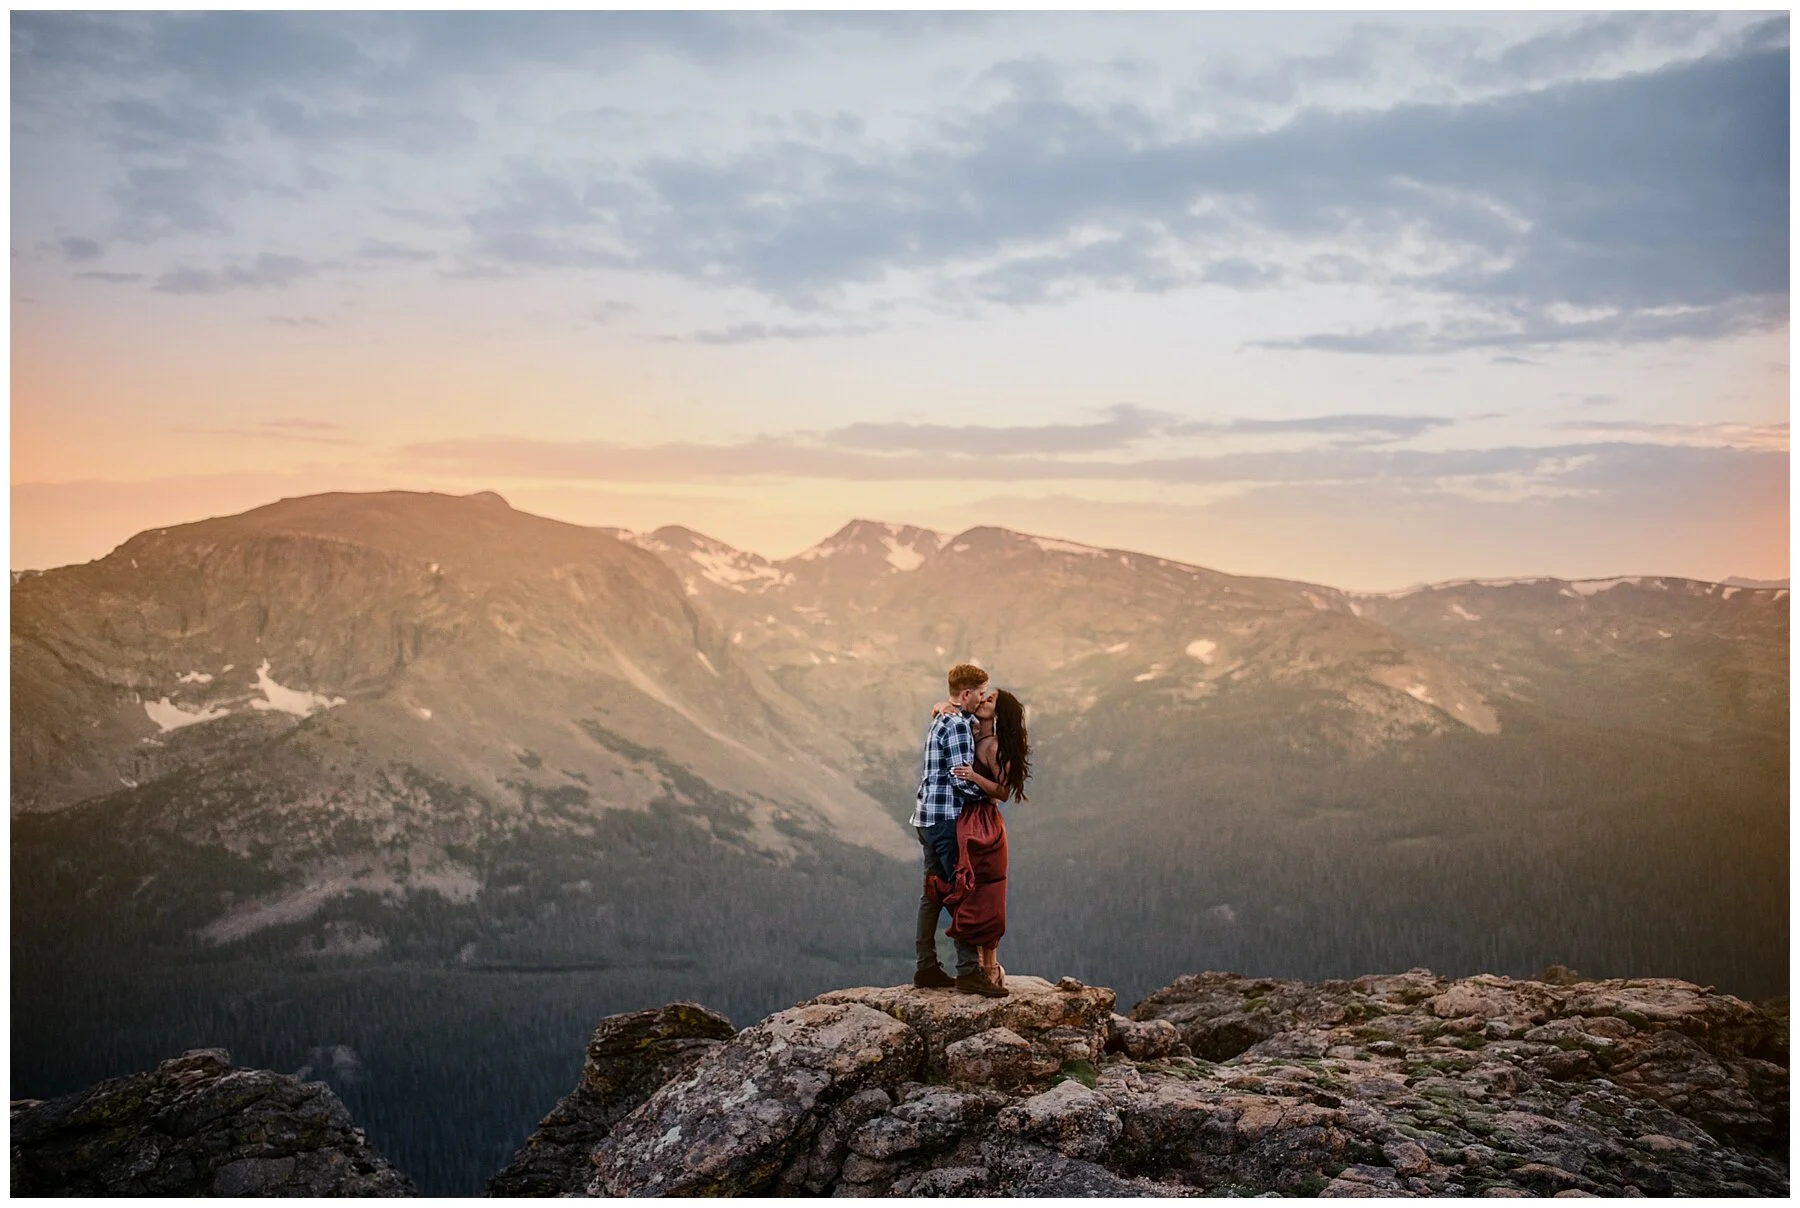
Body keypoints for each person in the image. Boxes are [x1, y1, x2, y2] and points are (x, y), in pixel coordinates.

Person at [937, 689, 1030, 991]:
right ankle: (980, 968)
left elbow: (1003, 792)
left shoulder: (993, 745)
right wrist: (940, 706)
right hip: (969, 822)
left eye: (990, 700)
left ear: (998, 714)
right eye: (984, 696)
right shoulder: (973, 730)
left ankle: (989, 970)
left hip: (985, 824)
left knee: (987, 893)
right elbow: (950, 707)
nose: (983, 700)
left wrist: (974, 777)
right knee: (972, 891)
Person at [910, 663, 994, 995]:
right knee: (962, 891)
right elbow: (962, 779)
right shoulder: (957, 725)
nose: (983, 699)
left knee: (933, 894)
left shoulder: (942, 719)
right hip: (946, 820)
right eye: (981, 693)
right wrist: (990, 793)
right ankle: (969, 971)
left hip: (926, 817)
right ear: (967, 694)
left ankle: (926, 967)